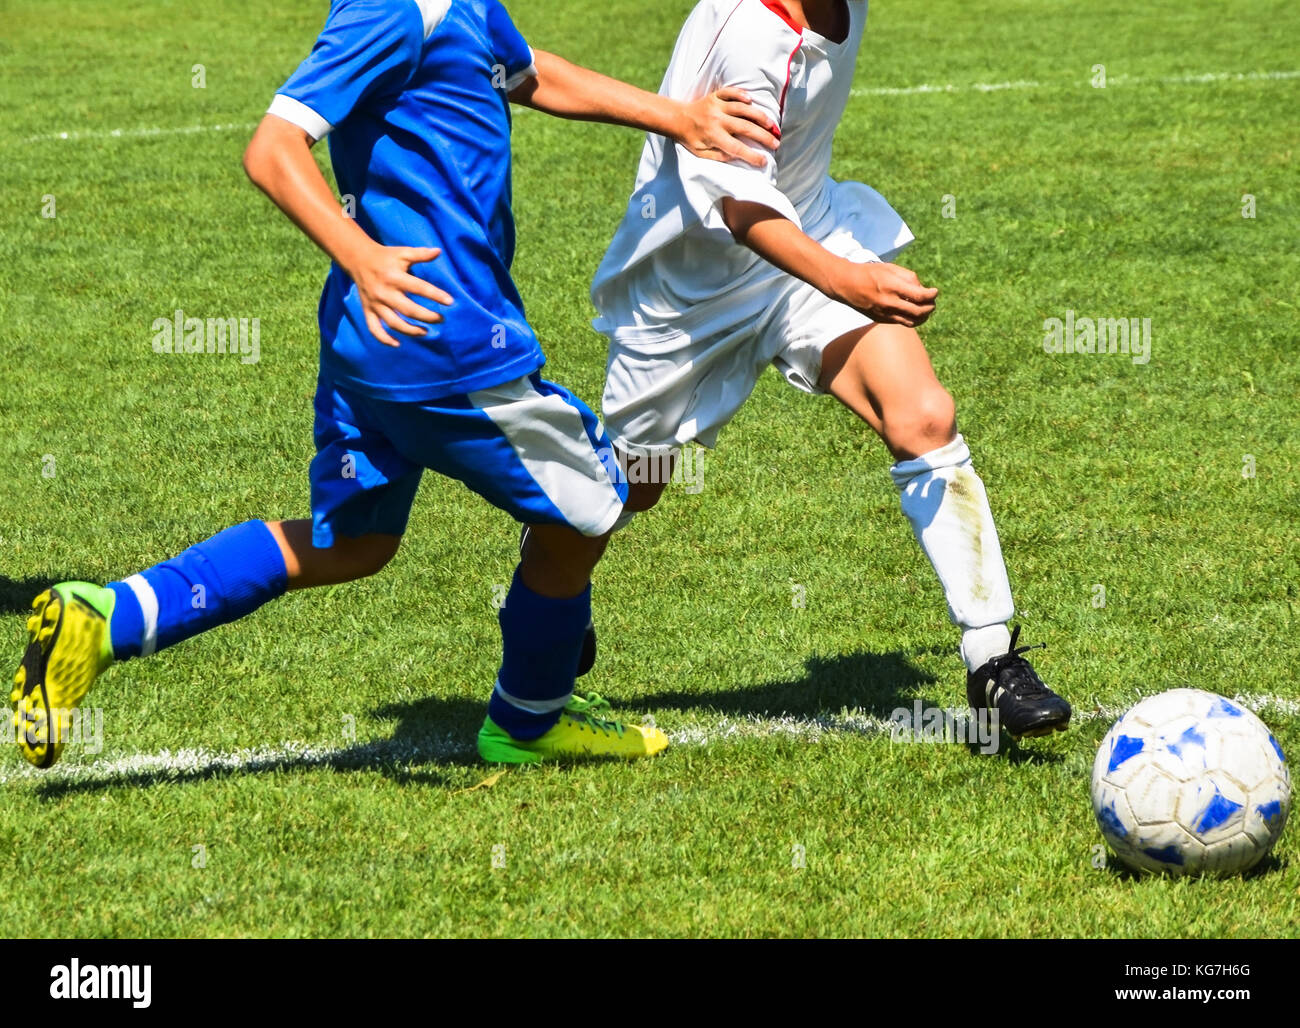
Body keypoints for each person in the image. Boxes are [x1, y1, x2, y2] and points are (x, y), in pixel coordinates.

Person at [10, 0, 779, 769]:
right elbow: (273, 148)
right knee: (593, 509)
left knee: (352, 542)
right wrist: (362, 255)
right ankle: (529, 719)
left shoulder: (464, 6)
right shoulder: (395, 9)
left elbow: (531, 72)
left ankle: (105, 618)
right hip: (440, 338)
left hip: (367, 348)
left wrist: (676, 117)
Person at [585, 0, 1072, 739]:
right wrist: (848, 283)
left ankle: (992, 660)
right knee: (629, 488)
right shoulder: (751, 30)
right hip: (692, 287)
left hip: (809, 235)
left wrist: (840, 276)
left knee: (923, 417)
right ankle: (555, 564)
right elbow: (738, 204)